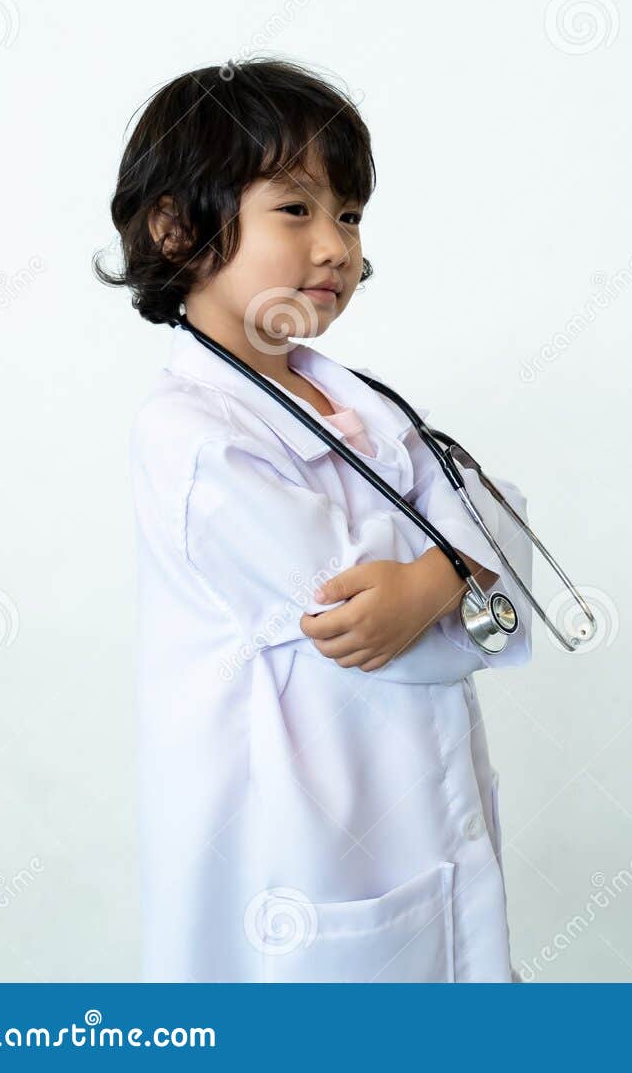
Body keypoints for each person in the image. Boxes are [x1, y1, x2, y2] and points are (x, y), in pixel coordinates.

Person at [97, 58, 533, 981]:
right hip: (297, 856)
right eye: (295, 209)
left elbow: (496, 514)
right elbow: (359, 618)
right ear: (175, 227)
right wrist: (454, 567)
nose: (335, 246)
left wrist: (435, 573)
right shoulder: (192, 436)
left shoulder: (362, 401)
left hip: (417, 819)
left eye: (351, 213)